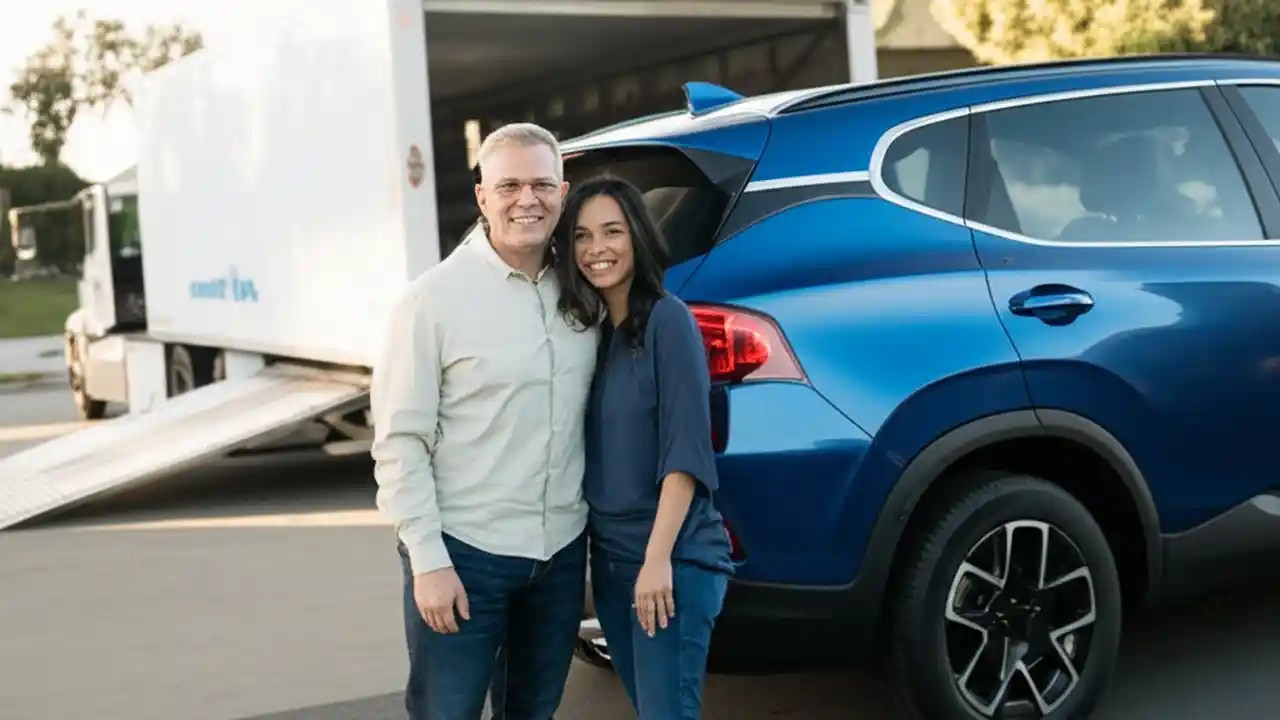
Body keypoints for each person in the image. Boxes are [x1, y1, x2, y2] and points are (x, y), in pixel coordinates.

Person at [369, 122, 599, 720]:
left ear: (564, 191)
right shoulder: (430, 302)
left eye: (543, 185)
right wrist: (428, 560)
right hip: (465, 555)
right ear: (482, 197)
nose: (529, 199)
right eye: (510, 185)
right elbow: (400, 443)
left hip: (559, 557)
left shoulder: (585, 292)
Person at [555, 176, 734, 719]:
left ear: (637, 236)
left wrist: (656, 562)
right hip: (612, 565)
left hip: (669, 560)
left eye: (612, 231)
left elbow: (685, 452)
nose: (596, 249)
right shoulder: (593, 335)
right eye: (583, 236)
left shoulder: (668, 321)